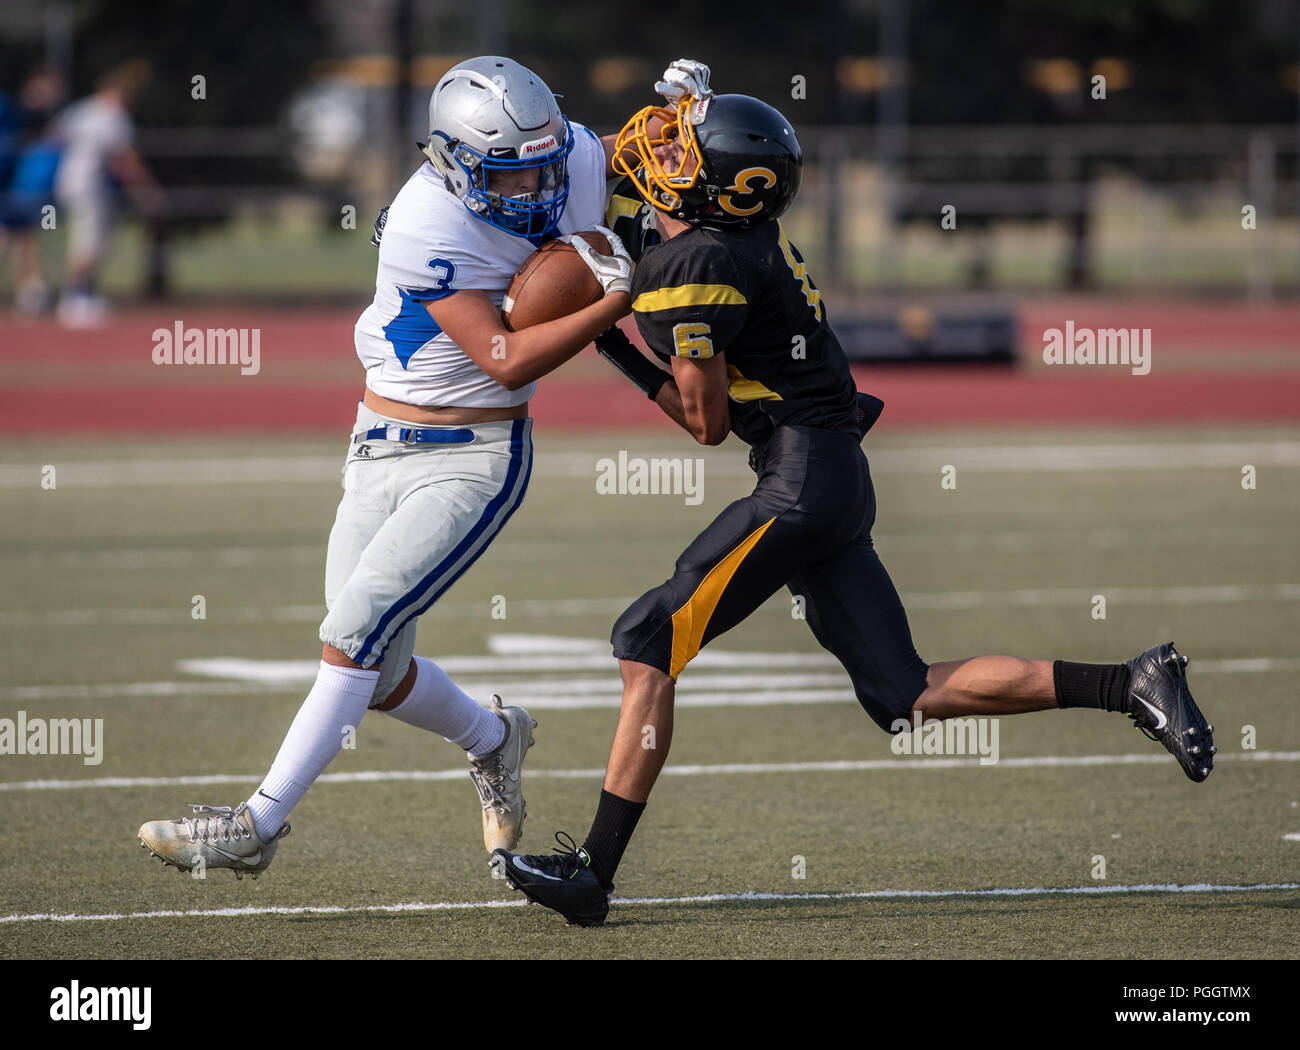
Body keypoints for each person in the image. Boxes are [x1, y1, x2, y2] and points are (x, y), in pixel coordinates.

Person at [492, 81, 1218, 927]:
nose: (663, 152)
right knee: (904, 695)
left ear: (713, 187)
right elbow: (658, 204)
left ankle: (593, 874)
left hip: (801, 482)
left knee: (647, 639)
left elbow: (704, 425)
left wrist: (609, 331)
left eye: (684, 147)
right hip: (830, 475)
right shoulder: (729, 236)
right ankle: (1131, 681)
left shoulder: (698, 266)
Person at [137, 55, 646, 879]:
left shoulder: (573, 154)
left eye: (547, 168)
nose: (540, 191)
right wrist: (615, 300)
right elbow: (508, 355)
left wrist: (683, 135)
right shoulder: (425, 220)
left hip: (476, 455)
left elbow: (632, 153)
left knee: (351, 636)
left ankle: (253, 826)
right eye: (512, 177)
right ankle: (496, 737)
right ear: (452, 161)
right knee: (375, 669)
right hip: (377, 443)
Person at [50, 60, 164, 327]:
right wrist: (146, 192)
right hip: (89, 185)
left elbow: (54, 136)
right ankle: (75, 300)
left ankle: (84, 296)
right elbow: (125, 160)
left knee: (91, 241)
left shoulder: (81, 110)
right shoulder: (112, 117)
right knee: (88, 242)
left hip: (70, 181)